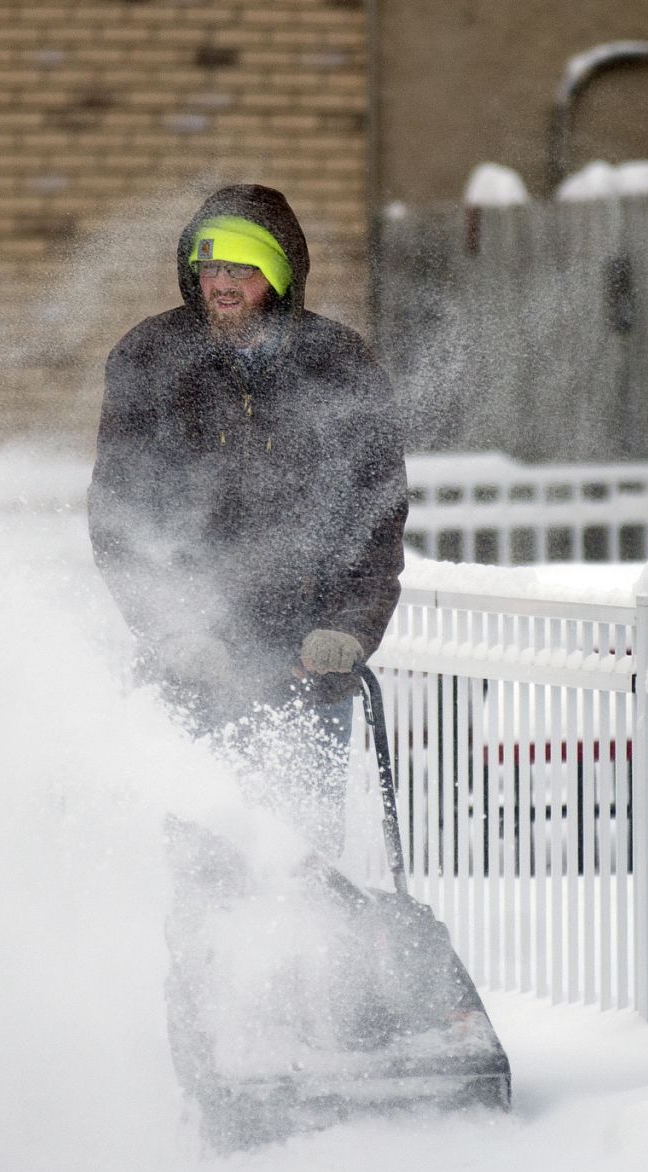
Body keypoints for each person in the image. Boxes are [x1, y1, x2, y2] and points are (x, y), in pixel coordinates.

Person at [88, 185, 408, 844]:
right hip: (197, 672)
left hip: (307, 670)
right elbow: (120, 519)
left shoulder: (338, 363)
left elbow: (374, 519)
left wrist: (348, 629)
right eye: (209, 267)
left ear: (279, 273)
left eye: (240, 268)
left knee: (306, 856)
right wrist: (171, 631)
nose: (221, 284)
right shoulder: (152, 360)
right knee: (207, 854)